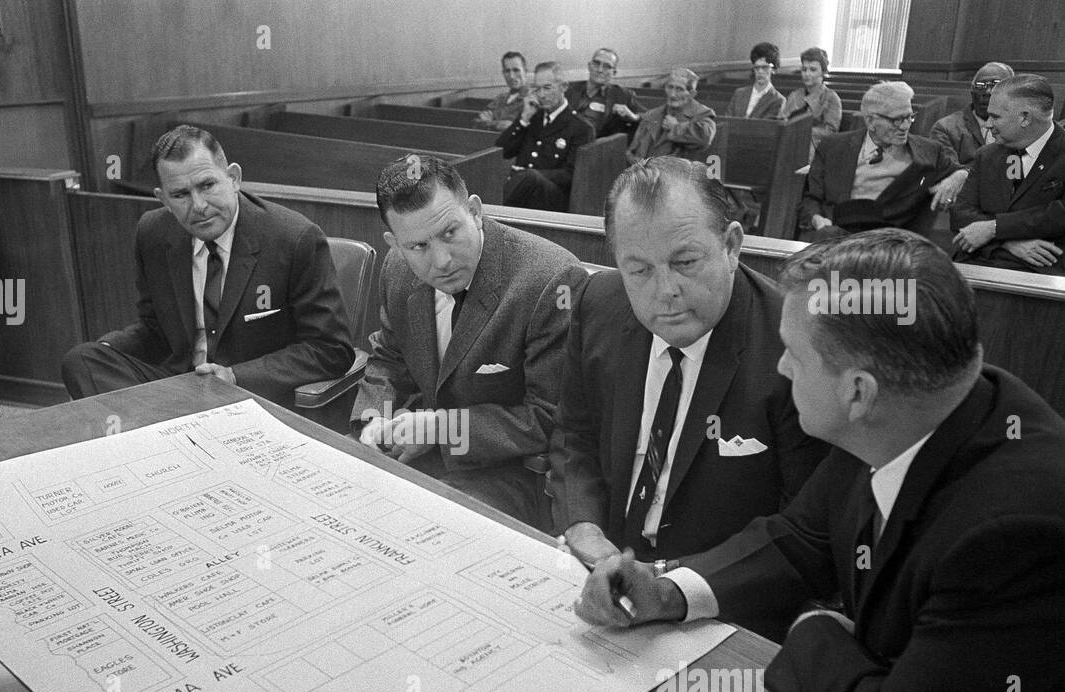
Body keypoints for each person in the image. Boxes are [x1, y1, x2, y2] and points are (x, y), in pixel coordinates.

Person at [576, 229, 1065, 692]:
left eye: (795, 354)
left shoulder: (1017, 531)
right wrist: (668, 591)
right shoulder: (910, 410)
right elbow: (801, 536)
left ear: (858, 392)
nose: (780, 367)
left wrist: (812, 626)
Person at [552, 158, 826, 577]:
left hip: (717, 593)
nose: (665, 292)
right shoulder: (598, 304)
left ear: (731, 246)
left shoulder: (793, 347)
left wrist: (671, 585)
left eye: (685, 263)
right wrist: (583, 527)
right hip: (601, 567)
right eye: (639, 270)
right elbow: (576, 435)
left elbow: (799, 531)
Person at [351, 155, 587, 528]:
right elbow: (388, 359)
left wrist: (442, 429)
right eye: (418, 247)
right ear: (393, 243)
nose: (441, 261)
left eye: (450, 233)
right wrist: (375, 423)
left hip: (504, 471)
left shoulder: (551, 279)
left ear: (475, 211)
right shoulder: (396, 268)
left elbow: (547, 418)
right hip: (413, 448)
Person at [61, 126, 353, 405]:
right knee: (83, 360)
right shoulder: (152, 232)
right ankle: (177, 426)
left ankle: (166, 431)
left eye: (207, 185)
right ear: (162, 198)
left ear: (234, 178)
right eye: (180, 195)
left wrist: (235, 376)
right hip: (180, 384)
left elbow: (330, 349)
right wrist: (112, 348)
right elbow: (155, 328)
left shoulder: (294, 238)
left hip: (250, 392)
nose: (198, 205)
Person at [798, 81, 964, 240]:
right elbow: (811, 198)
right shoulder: (833, 147)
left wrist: (959, 176)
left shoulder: (928, 151)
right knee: (833, 264)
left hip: (890, 245)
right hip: (838, 237)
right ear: (871, 121)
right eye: (897, 120)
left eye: (909, 117)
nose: (905, 126)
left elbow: (970, 172)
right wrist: (817, 219)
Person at [951, 74, 1065, 274]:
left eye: (995, 117)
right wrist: (1007, 242)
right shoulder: (986, 155)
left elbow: (1059, 214)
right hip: (981, 260)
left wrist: (993, 228)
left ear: (1025, 117)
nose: (987, 125)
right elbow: (960, 214)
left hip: (1039, 274)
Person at [495, 62, 595, 212]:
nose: (541, 95)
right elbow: (503, 151)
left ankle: (494, 213)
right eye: (537, 89)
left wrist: (527, 175)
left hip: (551, 198)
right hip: (521, 191)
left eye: (547, 88)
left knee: (530, 178)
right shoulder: (532, 116)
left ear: (564, 87)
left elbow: (571, 174)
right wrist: (523, 119)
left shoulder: (581, 127)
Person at [930, 62, 1015, 168]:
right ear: (972, 92)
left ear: (1013, 93)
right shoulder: (946, 128)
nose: (988, 91)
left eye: (996, 84)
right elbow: (948, 173)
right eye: (980, 86)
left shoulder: (1021, 127)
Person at [626, 67, 717, 162]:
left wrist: (676, 127)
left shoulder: (703, 113)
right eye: (670, 87)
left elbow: (705, 139)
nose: (672, 94)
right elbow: (633, 150)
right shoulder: (652, 114)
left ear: (692, 94)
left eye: (679, 89)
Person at [779, 47, 844, 161]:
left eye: (813, 70)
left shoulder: (830, 97)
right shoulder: (795, 95)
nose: (807, 74)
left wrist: (801, 130)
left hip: (815, 149)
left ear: (823, 72)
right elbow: (782, 120)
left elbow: (830, 131)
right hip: (789, 144)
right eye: (804, 69)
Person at [565, 47, 643, 138]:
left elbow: (649, 118)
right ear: (589, 66)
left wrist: (633, 117)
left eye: (607, 66)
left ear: (614, 73)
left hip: (598, 147)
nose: (600, 70)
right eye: (596, 64)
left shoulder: (622, 95)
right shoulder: (568, 89)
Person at [724, 42, 786, 119]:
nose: (760, 71)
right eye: (757, 67)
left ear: (773, 70)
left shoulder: (778, 100)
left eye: (765, 67)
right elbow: (726, 121)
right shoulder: (739, 93)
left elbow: (766, 127)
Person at [474, 52, 529, 132]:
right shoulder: (500, 98)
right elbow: (476, 122)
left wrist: (489, 122)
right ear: (503, 73)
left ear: (525, 72)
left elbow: (511, 127)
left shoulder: (531, 100)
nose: (511, 76)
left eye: (516, 70)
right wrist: (497, 124)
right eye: (507, 71)